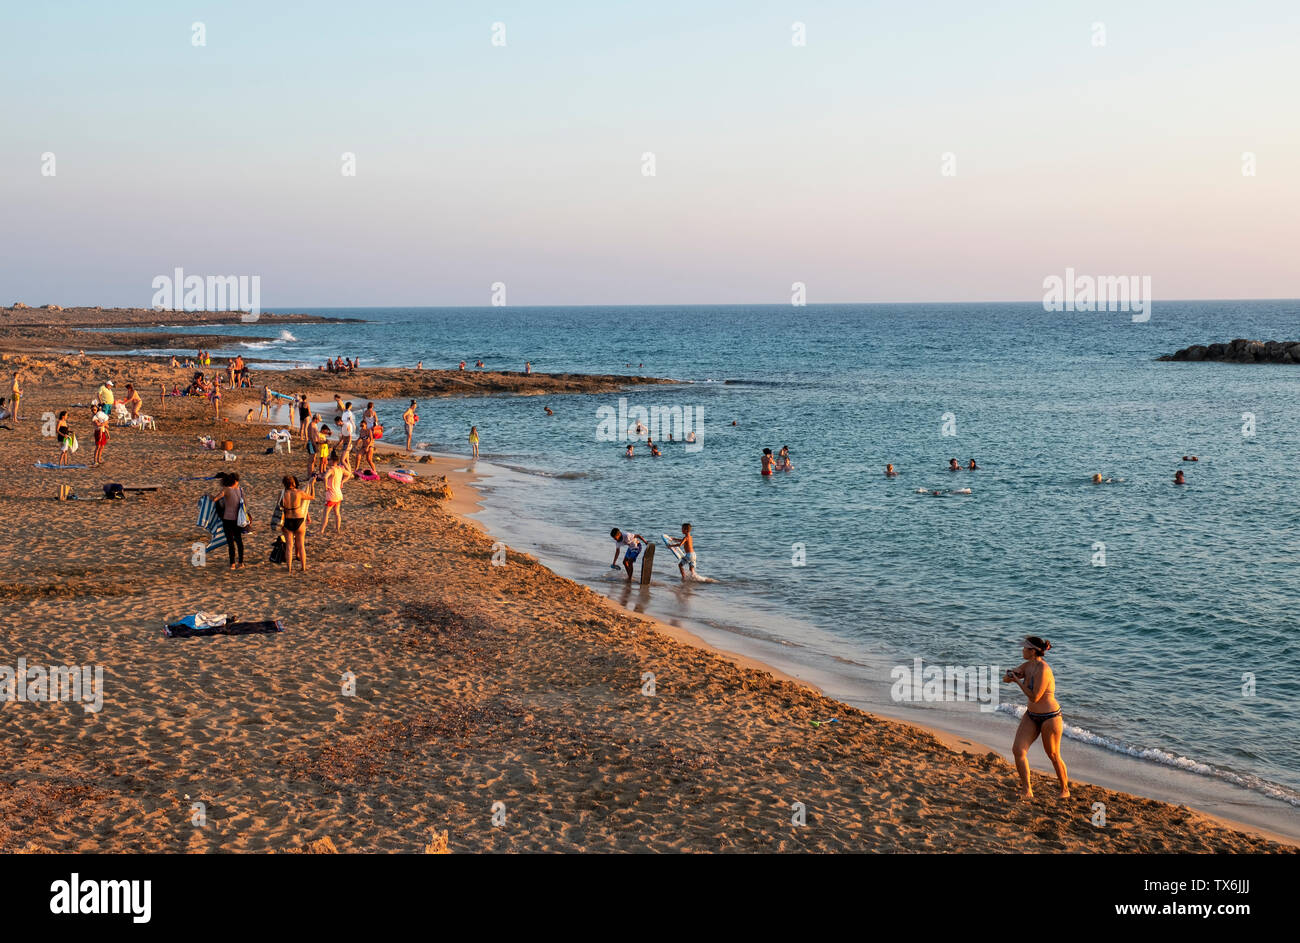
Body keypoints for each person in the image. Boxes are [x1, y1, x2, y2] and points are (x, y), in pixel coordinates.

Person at [1003, 636, 1069, 800]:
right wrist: (1011, 674)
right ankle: (1027, 790)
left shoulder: (1043, 669)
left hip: (1050, 717)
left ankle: (1065, 790)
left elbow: (1035, 697)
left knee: (1053, 755)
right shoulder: (1027, 665)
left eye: (1025, 648)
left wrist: (1018, 681)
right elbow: (1005, 680)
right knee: (1018, 750)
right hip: (1032, 715)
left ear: (1032, 651)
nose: (1022, 650)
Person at [279, 474, 315, 572]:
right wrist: (312, 485)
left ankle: (289, 568)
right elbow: (312, 497)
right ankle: (303, 568)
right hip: (299, 519)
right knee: (301, 545)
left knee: (289, 546)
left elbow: (280, 507)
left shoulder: (282, 493)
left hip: (288, 520)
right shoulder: (299, 492)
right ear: (293, 483)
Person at [215, 472, 247, 570]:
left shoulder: (226, 489)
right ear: (236, 481)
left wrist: (209, 496)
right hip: (238, 519)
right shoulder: (241, 490)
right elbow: (245, 504)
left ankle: (232, 564)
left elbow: (216, 499)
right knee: (239, 541)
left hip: (227, 519)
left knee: (230, 542)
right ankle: (241, 563)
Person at [319, 454, 353, 535]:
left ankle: (321, 530)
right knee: (337, 513)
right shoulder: (340, 469)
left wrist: (325, 486)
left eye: (329, 459)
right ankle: (337, 529)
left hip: (331, 495)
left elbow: (325, 477)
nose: (328, 461)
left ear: (333, 461)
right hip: (338, 494)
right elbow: (349, 474)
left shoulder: (331, 469)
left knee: (326, 514)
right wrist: (342, 481)